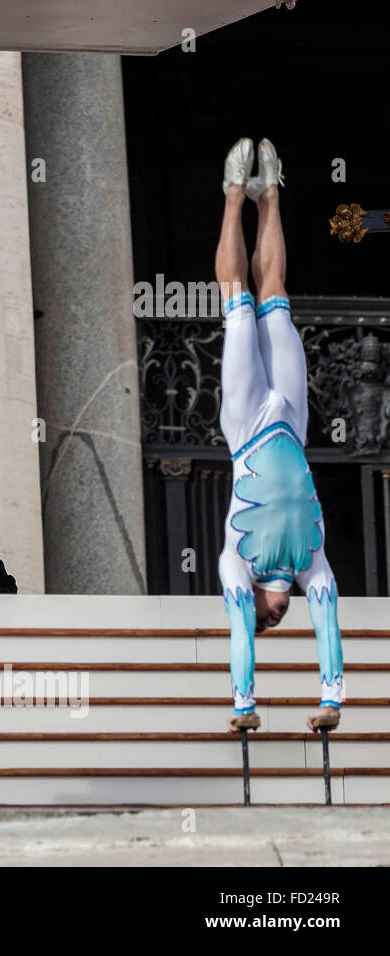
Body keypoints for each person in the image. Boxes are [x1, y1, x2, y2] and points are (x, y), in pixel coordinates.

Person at [215, 137, 342, 733]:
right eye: (276, 621)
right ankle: (270, 195)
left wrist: (245, 707)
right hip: (291, 422)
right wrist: (331, 702)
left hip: (245, 428)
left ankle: (232, 193)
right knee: (277, 304)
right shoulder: (311, 564)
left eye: (270, 621)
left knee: (238, 303)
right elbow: (329, 622)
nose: (277, 616)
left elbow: (238, 628)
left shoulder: (237, 567)